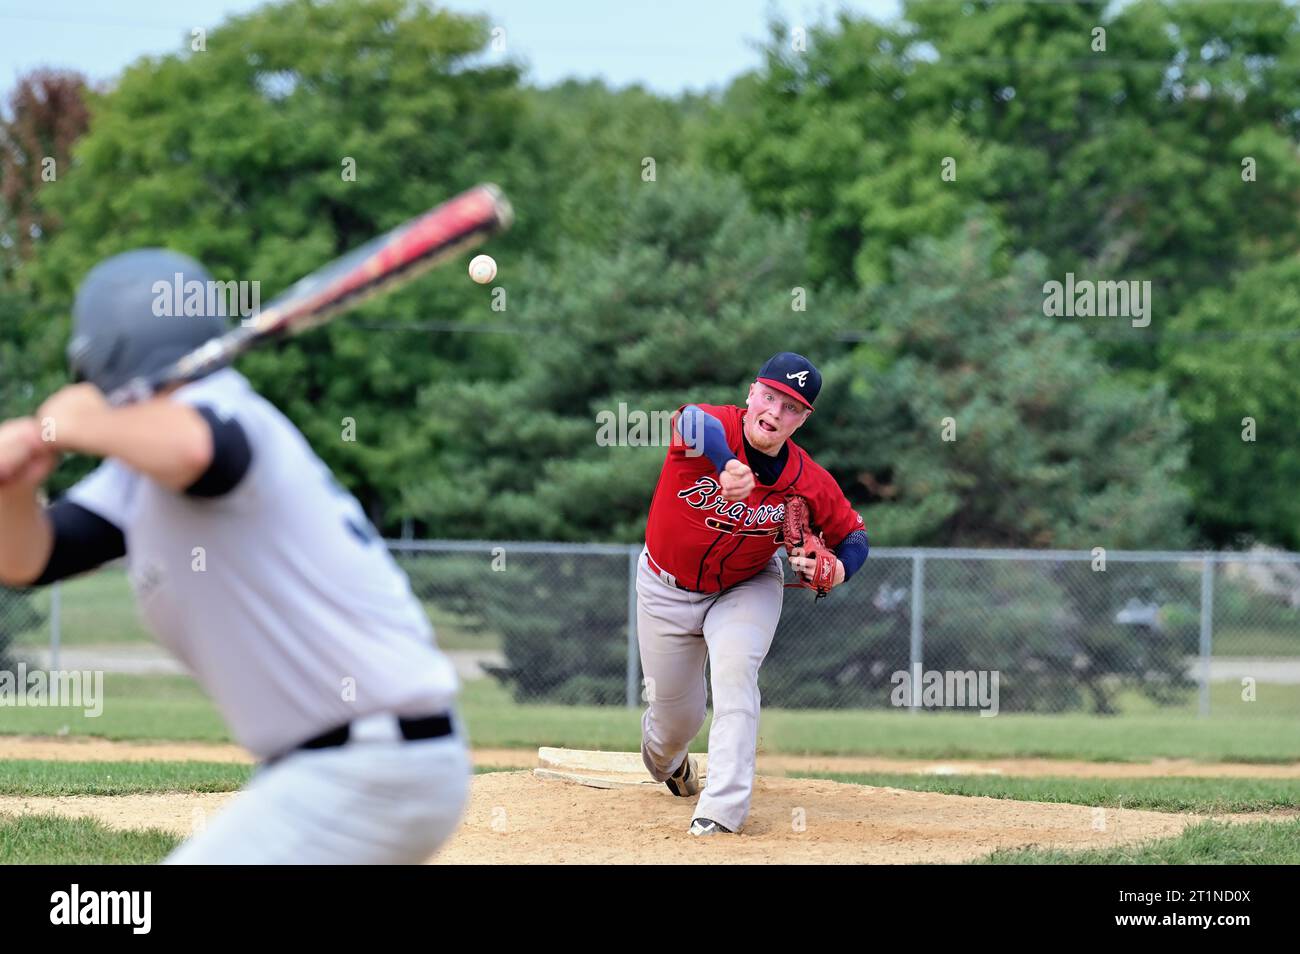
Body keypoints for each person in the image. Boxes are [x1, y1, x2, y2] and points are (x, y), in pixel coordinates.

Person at [0, 249, 468, 863]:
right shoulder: (142, 470)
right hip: (344, 768)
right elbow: (31, 559)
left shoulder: (221, 411)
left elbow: (197, 452)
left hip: (367, 764)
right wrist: (14, 486)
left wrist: (74, 423)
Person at [637, 352, 869, 835]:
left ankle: (720, 814)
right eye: (770, 396)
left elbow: (854, 535)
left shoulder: (808, 479)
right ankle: (671, 763)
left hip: (747, 584)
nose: (775, 412)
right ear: (751, 393)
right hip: (664, 587)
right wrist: (726, 463)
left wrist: (840, 570)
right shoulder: (712, 427)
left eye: (791, 407)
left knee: (735, 673)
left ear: (803, 419)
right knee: (675, 723)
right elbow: (689, 419)